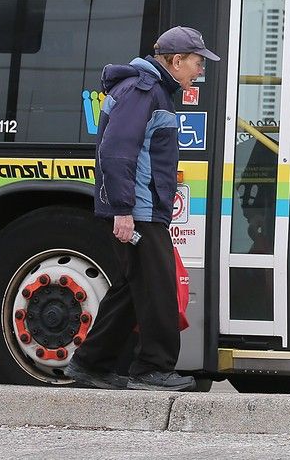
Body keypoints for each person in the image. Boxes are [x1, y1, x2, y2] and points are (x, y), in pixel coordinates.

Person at [66, 26, 220, 391]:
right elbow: (117, 151)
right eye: (198, 62)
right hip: (139, 211)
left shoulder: (154, 92)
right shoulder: (143, 92)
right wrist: (123, 210)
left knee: (134, 290)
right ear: (177, 60)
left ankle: (91, 364)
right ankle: (152, 367)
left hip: (142, 208)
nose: (200, 71)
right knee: (159, 288)